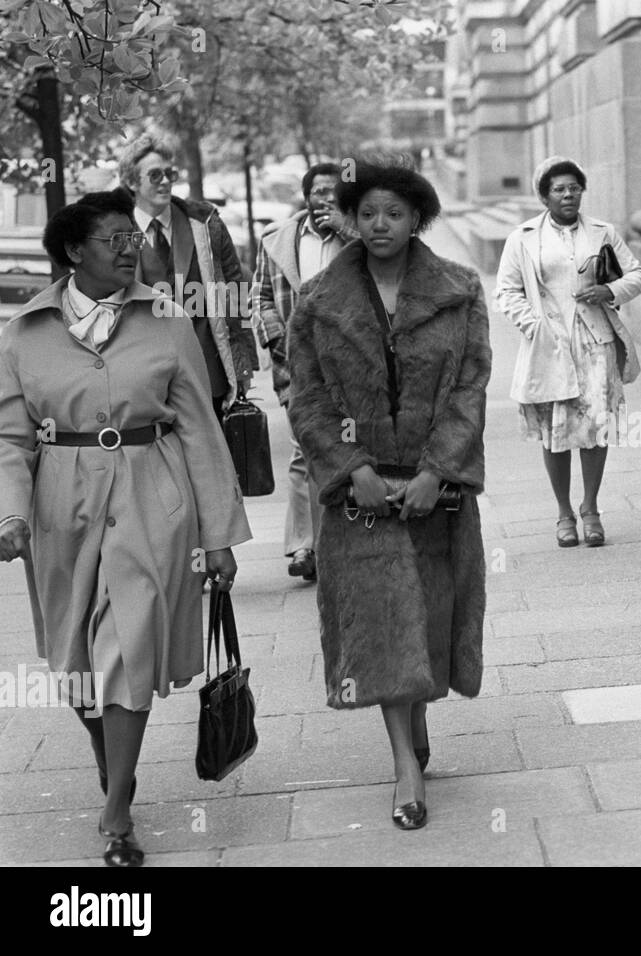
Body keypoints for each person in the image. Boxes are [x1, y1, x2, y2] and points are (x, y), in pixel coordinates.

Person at [0, 191, 250, 866]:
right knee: (76, 667)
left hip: (151, 497)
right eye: (112, 239)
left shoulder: (167, 319)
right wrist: (11, 513)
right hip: (60, 507)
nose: (129, 247)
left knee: (127, 648)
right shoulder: (23, 333)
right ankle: (111, 752)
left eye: (131, 237)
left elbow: (200, 425)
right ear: (74, 250)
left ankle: (117, 817)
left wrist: (218, 534)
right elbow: (10, 439)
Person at [288, 159, 490, 831]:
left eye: (395, 214)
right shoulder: (318, 300)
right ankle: (404, 764)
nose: (380, 225)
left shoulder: (459, 290)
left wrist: (439, 470)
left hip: (435, 490)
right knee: (382, 625)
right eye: (368, 213)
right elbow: (307, 399)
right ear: (351, 217)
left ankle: (420, 715)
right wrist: (349, 469)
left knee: (428, 621)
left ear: (418, 220)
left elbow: (469, 389)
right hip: (361, 497)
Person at [495, 157, 641, 548]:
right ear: (544, 195)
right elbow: (505, 292)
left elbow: (636, 275)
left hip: (595, 341)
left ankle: (591, 509)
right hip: (549, 344)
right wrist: (533, 324)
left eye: (574, 188)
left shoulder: (602, 233)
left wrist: (608, 291)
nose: (567, 195)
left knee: (597, 425)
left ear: (582, 191)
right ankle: (563, 513)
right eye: (559, 189)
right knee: (556, 431)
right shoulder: (524, 237)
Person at [251, 162, 352, 583]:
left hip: (348, 366)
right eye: (318, 191)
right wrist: (278, 340)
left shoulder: (358, 237)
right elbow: (259, 297)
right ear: (306, 196)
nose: (325, 198)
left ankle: (343, 541)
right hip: (296, 365)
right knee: (302, 452)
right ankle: (305, 546)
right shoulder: (277, 242)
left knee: (347, 448)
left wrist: (348, 230)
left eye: (333, 192)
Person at [117, 132, 257, 421]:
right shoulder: (118, 232)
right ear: (132, 182)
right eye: (155, 175)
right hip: (144, 374)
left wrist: (243, 365)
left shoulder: (205, 223)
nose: (166, 181)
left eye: (170, 173)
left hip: (209, 372)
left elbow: (236, 291)